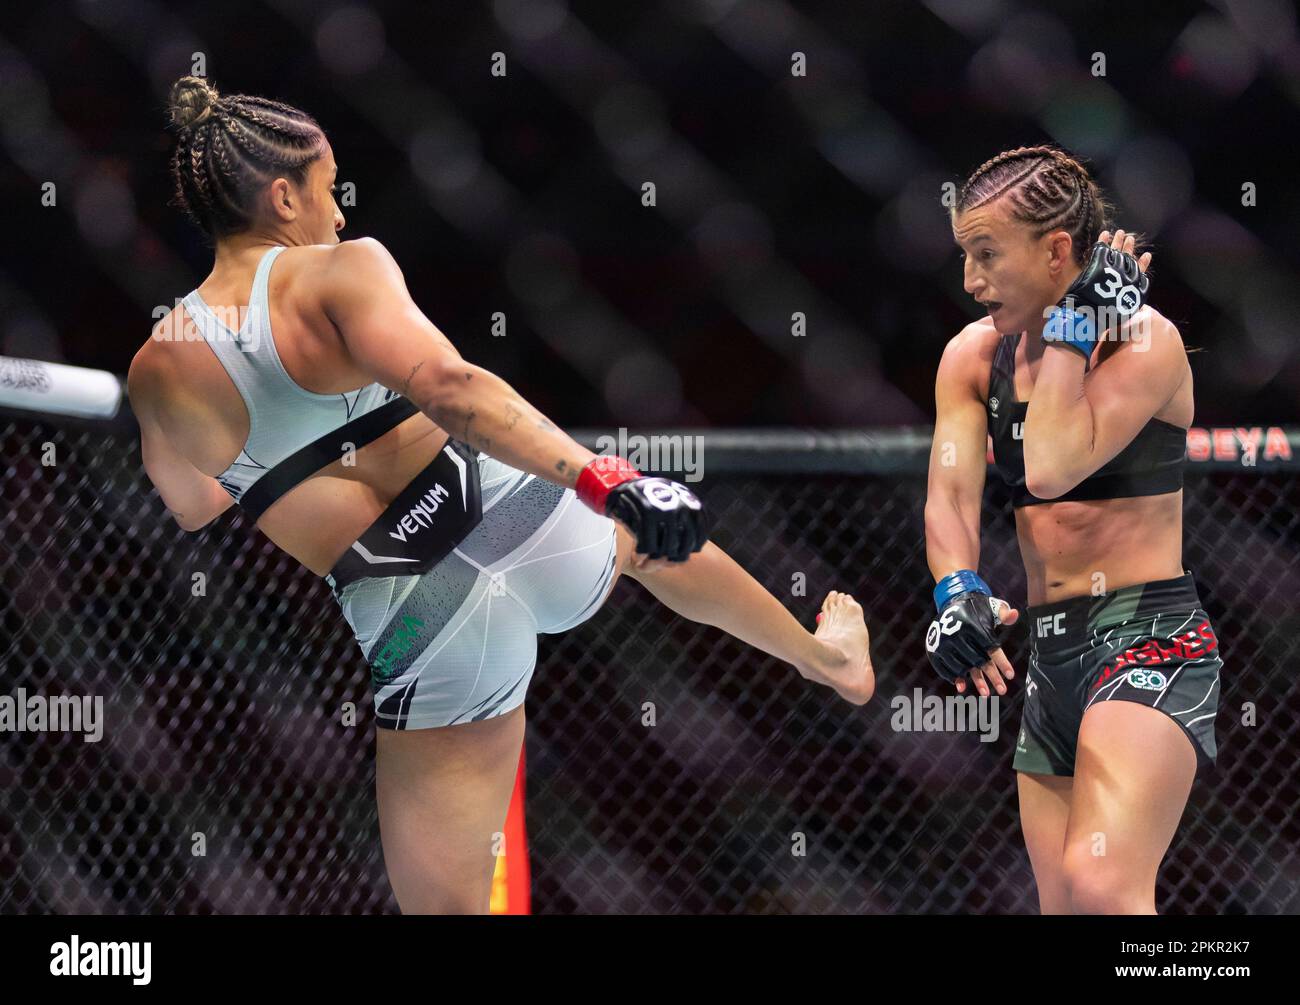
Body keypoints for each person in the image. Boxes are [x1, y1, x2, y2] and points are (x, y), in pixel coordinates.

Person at [128, 76, 874, 914]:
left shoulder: (159, 364)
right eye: (329, 190)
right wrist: (609, 477)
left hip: (415, 610)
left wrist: (269, 440)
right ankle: (824, 656)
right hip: (513, 515)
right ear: (281, 195)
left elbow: (193, 505)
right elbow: (453, 387)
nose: (337, 213)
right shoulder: (341, 269)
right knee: (633, 542)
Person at [924, 145, 1221, 914]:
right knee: (1065, 908)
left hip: (1149, 635)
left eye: (986, 254)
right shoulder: (971, 358)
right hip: (1053, 647)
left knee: (1104, 888)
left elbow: (1052, 464)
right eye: (965, 255)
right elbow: (951, 498)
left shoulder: (1144, 342)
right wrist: (958, 587)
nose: (970, 280)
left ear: (1057, 250)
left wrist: (1076, 328)